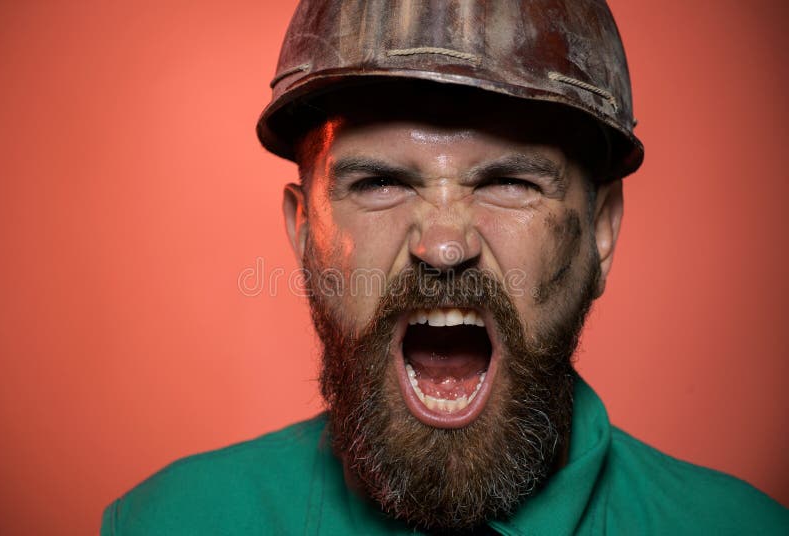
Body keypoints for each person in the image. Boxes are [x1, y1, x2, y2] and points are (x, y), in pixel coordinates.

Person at [101, 1, 788, 534]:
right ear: (304, 229)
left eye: (510, 182)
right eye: (379, 182)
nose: (444, 246)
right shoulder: (168, 525)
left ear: (601, 233)